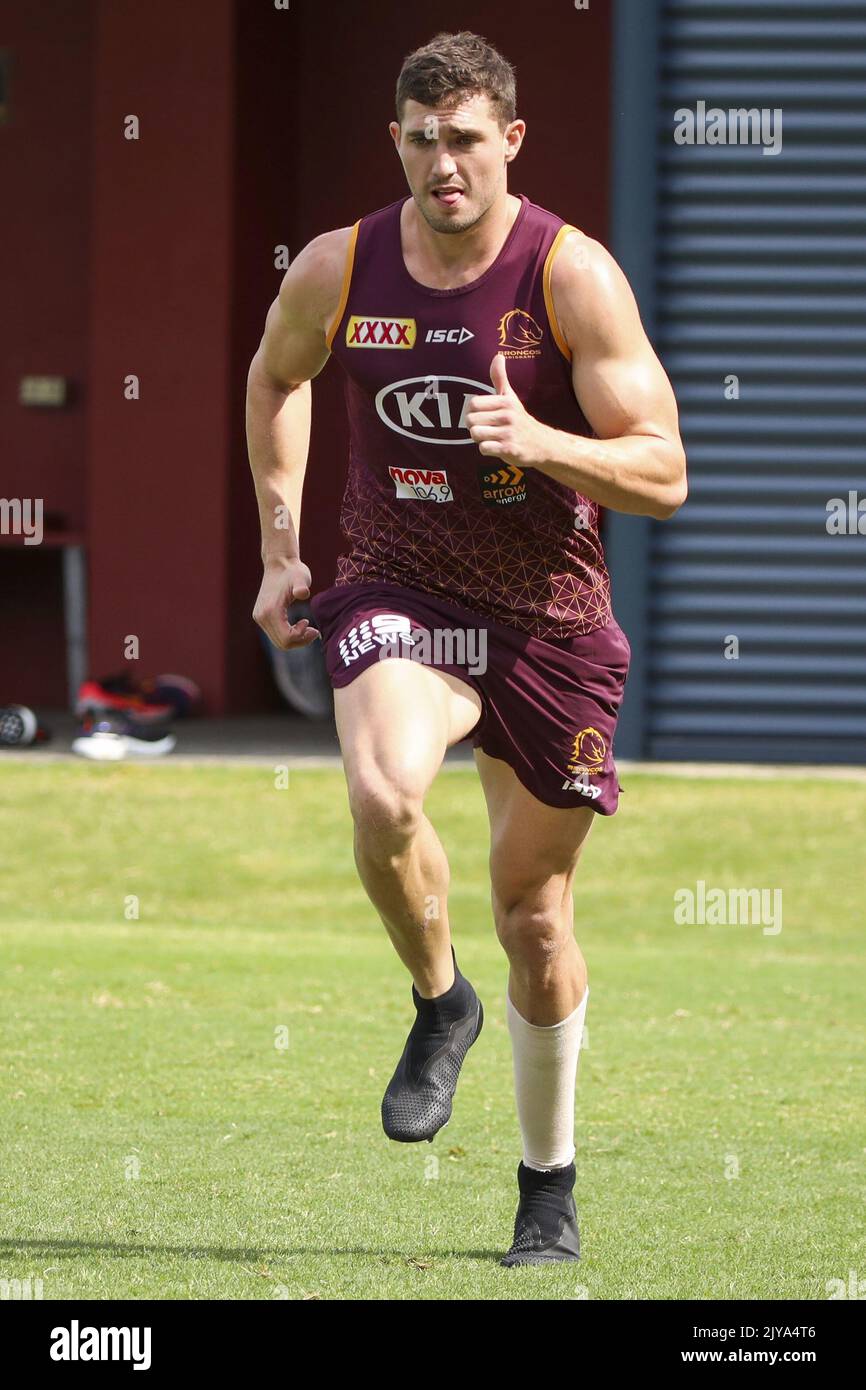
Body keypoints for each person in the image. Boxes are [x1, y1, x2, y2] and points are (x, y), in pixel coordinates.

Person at [246, 30, 686, 1266]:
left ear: (511, 144)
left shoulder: (571, 274)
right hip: (400, 590)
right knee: (383, 787)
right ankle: (441, 1002)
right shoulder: (337, 268)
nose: (445, 165)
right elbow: (275, 377)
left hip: (550, 625)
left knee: (534, 918)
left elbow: (663, 470)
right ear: (396, 140)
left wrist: (544, 443)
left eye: (467, 141)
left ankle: (546, 1184)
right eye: (422, 140)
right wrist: (283, 546)